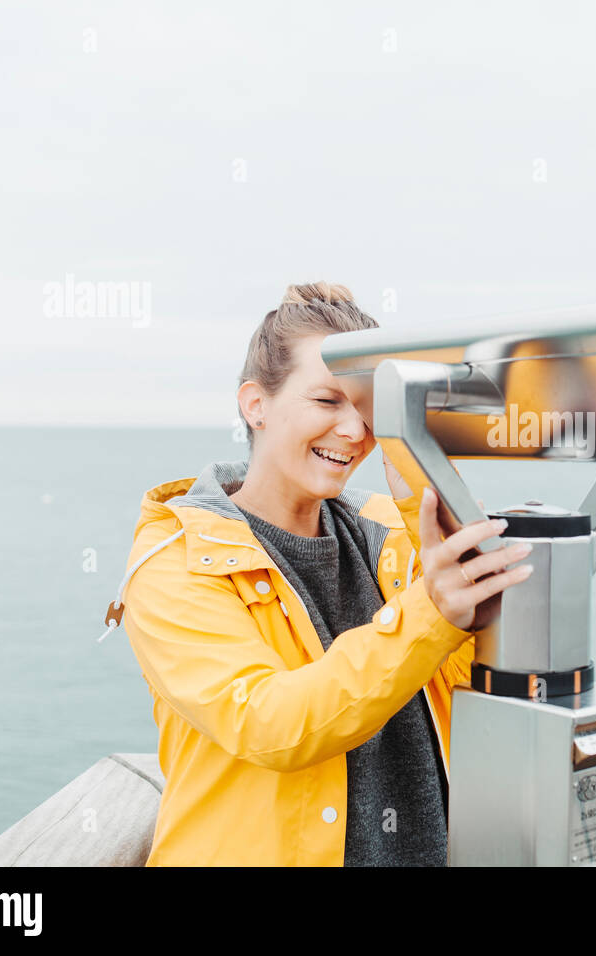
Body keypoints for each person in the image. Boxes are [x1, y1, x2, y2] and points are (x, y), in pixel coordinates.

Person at [101, 281, 534, 865]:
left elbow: (487, 682)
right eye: (328, 402)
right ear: (255, 404)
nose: (355, 431)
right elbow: (271, 724)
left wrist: (424, 490)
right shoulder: (176, 562)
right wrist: (431, 611)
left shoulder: (386, 531)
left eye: (368, 407)